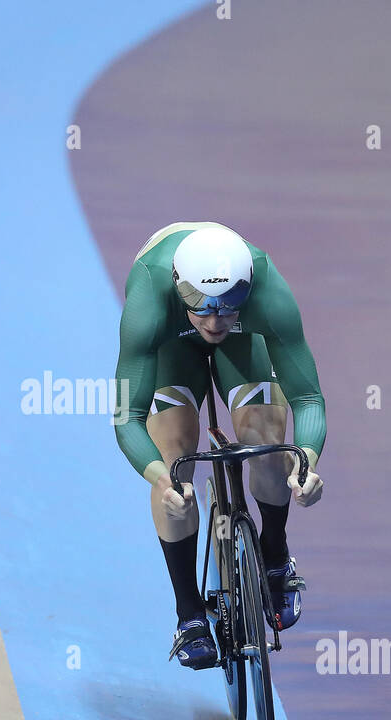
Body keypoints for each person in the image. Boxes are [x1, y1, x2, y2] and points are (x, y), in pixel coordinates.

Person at [114, 223, 326, 669]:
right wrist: (161, 480)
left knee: (267, 443)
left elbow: (307, 397)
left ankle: (273, 555)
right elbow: (125, 419)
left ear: (246, 291)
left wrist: (305, 460)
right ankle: (188, 614)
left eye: (228, 308)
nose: (214, 322)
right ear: (180, 290)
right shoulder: (150, 300)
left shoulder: (267, 292)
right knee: (174, 462)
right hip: (173, 344)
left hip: (246, 343)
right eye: (203, 310)